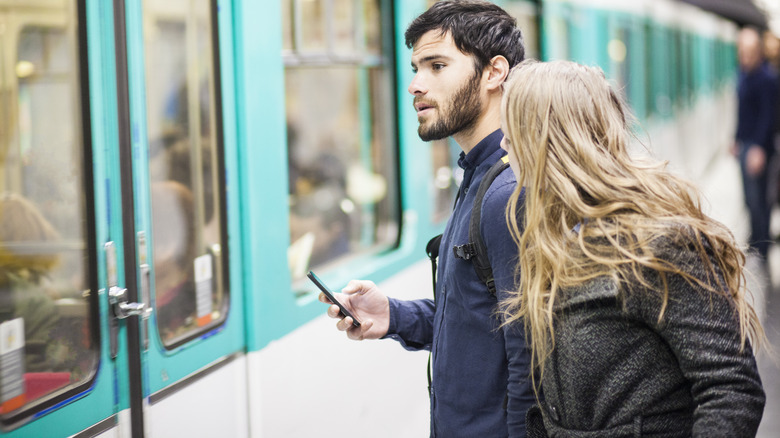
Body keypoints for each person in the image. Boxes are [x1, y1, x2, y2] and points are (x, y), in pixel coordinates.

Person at [499, 59, 766, 436]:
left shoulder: (658, 244)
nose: (503, 144)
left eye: (510, 133)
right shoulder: (555, 235)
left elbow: (731, 388)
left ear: (546, 139)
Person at [318, 1, 534, 436]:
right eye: (416, 67)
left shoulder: (507, 195)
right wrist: (392, 317)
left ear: (494, 72)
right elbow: (477, 322)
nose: (416, 85)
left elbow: (531, 361)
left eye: (437, 66)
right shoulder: (478, 175)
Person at [733, 27, 777, 260]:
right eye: (742, 50)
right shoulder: (743, 76)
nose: (744, 55)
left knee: (760, 199)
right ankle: (755, 238)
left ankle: (763, 245)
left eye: (749, 51)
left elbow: (767, 117)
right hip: (745, 145)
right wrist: (736, 138)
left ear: (758, 51)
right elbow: (742, 113)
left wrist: (759, 148)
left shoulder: (768, 79)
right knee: (749, 198)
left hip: (760, 148)